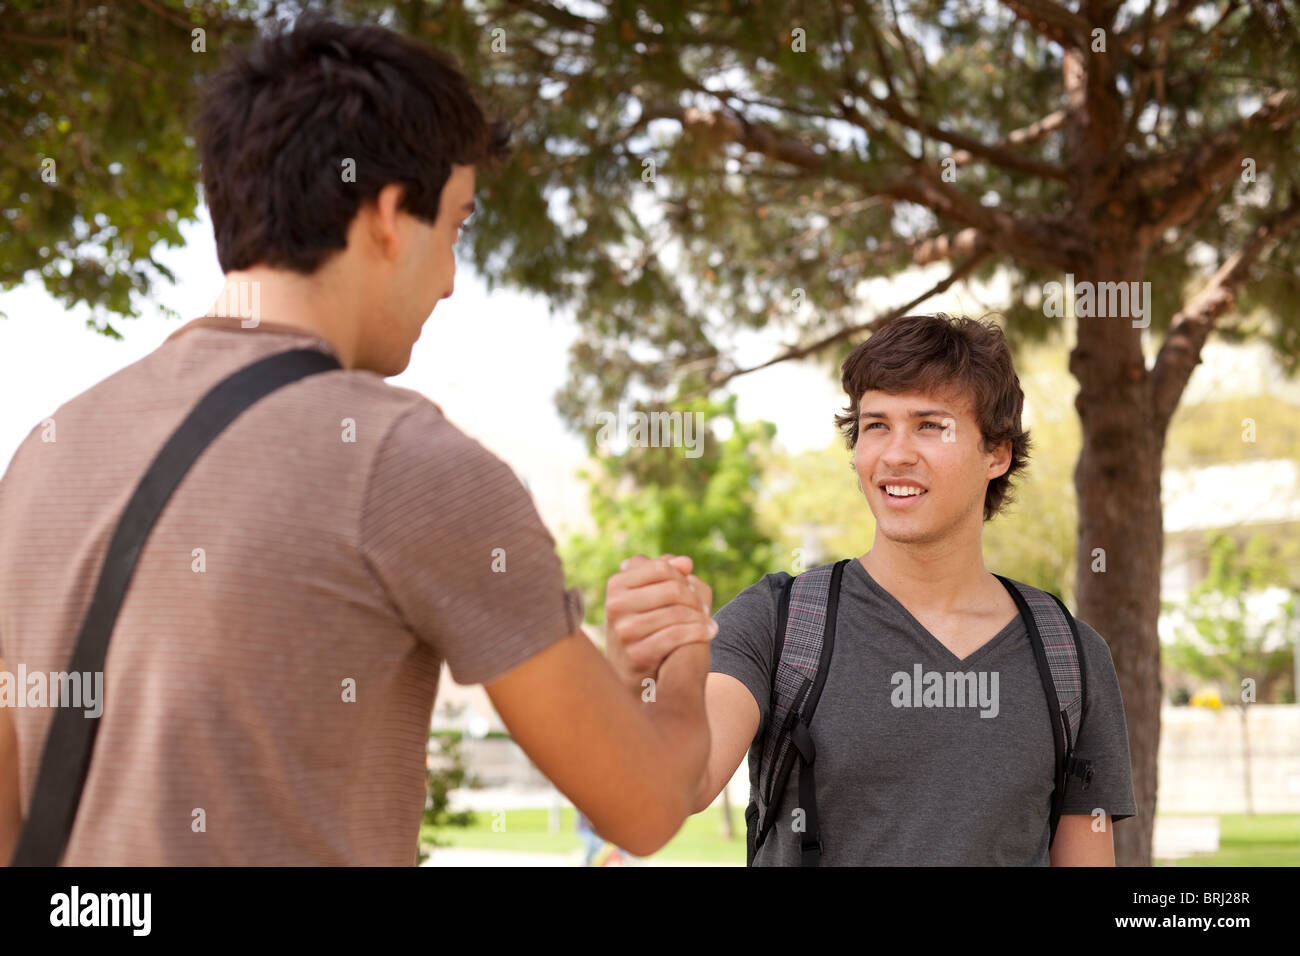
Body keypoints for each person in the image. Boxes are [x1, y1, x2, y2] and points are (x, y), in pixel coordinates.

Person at [0, 14, 715, 866]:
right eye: (455, 228)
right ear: (385, 217)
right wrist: (679, 673)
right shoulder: (405, 462)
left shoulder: (49, 448)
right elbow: (642, 807)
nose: (450, 280)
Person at [612, 314, 1138, 865]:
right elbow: (681, 784)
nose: (894, 454)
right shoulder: (780, 622)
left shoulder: (1071, 657)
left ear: (997, 453)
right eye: (876, 425)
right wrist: (634, 678)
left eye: (930, 425)